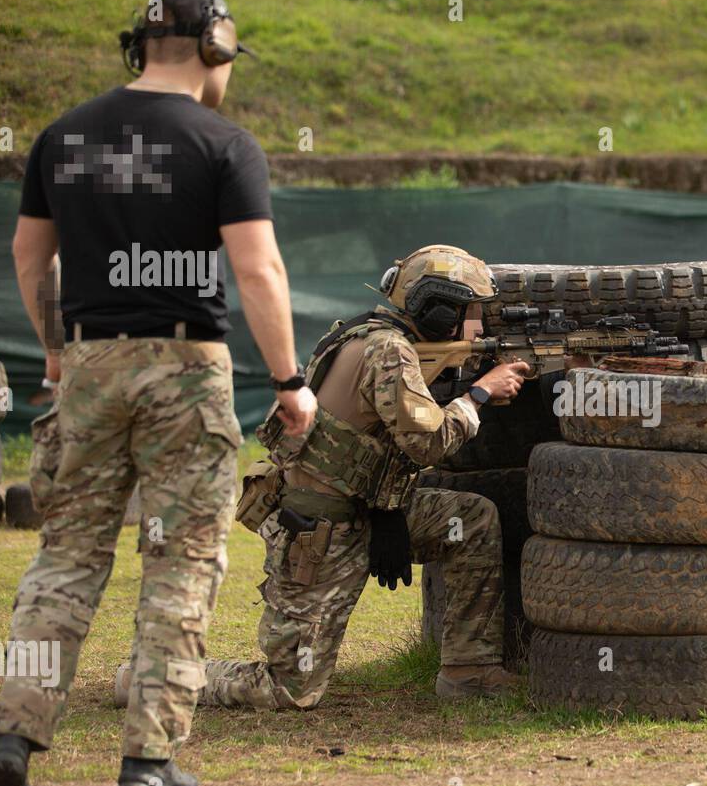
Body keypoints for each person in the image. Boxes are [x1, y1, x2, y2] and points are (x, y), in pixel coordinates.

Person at [0, 0, 317, 786]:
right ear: (215, 51)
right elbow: (258, 269)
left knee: (65, 558)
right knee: (182, 563)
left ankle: (13, 742)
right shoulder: (223, 143)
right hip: (184, 370)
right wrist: (289, 382)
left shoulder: (62, 137)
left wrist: (58, 355)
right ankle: (147, 763)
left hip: (90, 367)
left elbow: (31, 258)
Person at [124, 244, 528, 712]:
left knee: (471, 520)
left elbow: (377, 441)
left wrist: (391, 513)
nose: (477, 324)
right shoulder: (389, 351)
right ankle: (155, 677)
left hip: (364, 513)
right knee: (290, 689)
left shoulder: (364, 334)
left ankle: (468, 671)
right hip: (320, 534)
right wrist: (478, 393)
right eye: (470, 311)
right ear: (438, 310)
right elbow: (428, 442)